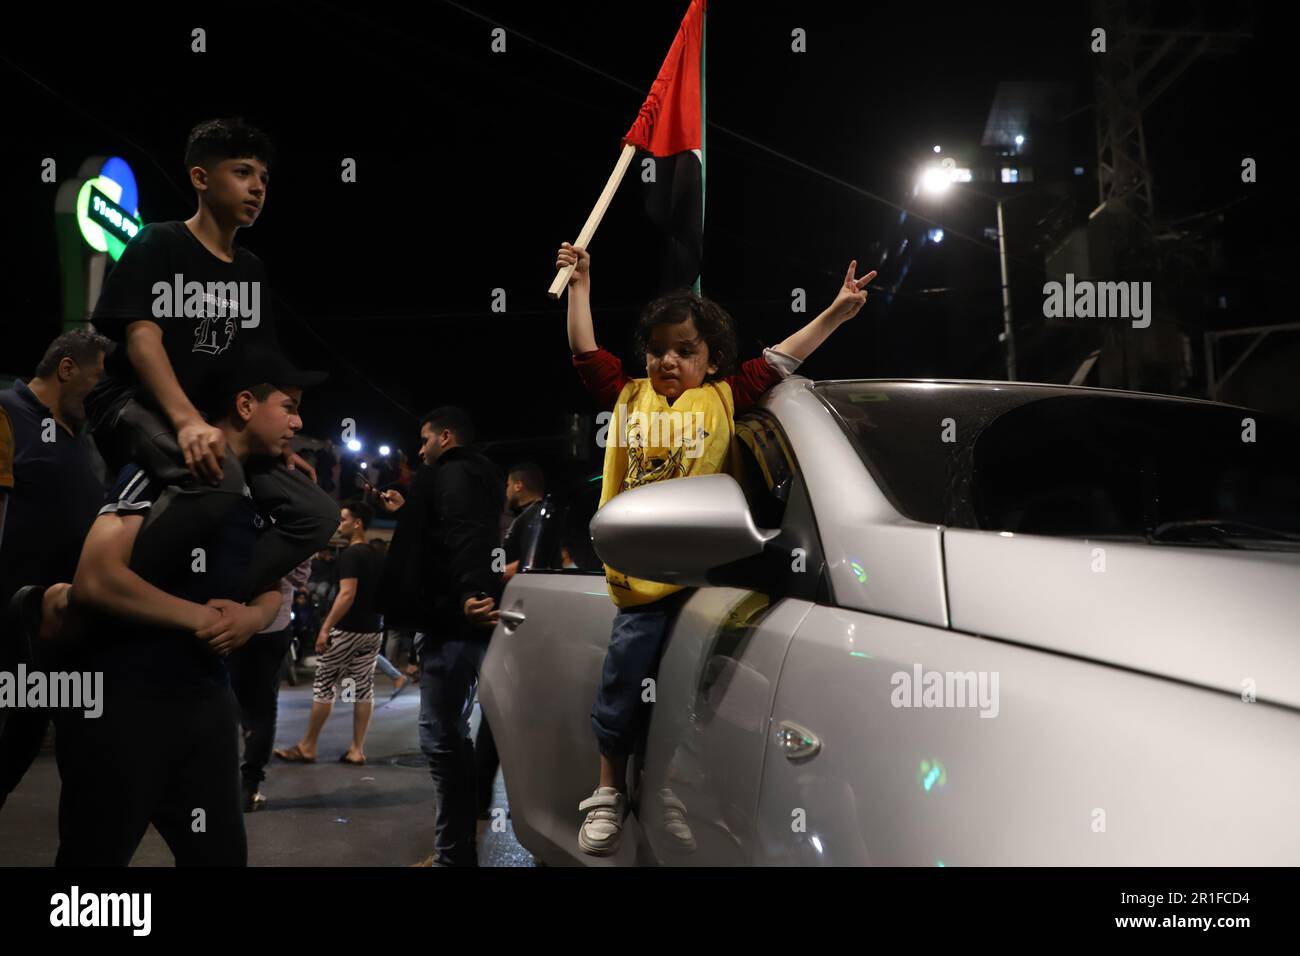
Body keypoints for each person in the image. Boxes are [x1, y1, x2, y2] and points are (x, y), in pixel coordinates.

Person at [556, 241, 876, 855]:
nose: (668, 361)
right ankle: (608, 791)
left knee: (699, 695)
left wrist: (836, 311)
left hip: (712, 578)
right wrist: (580, 284)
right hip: (645, 579)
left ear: (712, 359)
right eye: (656, 351)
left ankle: (667, 787)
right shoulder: (627, 397)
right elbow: (583, 351)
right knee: (625, 677)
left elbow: (782, 359)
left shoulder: (729, 396)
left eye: (685, 350)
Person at [52, 348, 323, 866]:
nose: (298, 422)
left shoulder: (260, 489)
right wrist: (200, 617)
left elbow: (264, 583)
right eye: (288, 407)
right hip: (122, 701)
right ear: (245, 405)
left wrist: (253, 617)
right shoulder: (162, 467)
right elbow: (97, 578)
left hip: (206, 703)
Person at [83, 117, 336, 602]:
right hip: (131, 403)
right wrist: (185, 422)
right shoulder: (159, 242)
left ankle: (216, 592)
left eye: (263, 178)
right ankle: (116, 594)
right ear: (201, 178)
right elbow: (141, 340)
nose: (258, 188)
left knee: (317, 513)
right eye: (243, 173)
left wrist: (281, 442)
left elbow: (259, 366)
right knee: (220, 476)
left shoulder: (250, 269)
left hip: (204, 419)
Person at [378, 407, 503, 866]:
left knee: (442, 739)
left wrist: (471, 590)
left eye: (425, 439)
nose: (420, 448)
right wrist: (409, 509)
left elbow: (464, 531)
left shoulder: (453, 471)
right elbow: (450, 529)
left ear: (445, 437)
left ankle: (454, 856)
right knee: (449, 738)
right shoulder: (473, 474)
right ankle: (454, 851)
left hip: (451, 623)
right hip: (452, 619)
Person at [0, 329, 112, 810]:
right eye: (96, 380)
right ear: (66, 369)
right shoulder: (6, 412)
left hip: (57, 635)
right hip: (9, 631)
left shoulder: (76, 438)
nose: (100, 394)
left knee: (26, 751)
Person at [274, 501, 385, 765]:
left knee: (324, 685)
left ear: (357, 523)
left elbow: (347, 594)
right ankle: (357, 750)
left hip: (346, 629)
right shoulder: (377, 555)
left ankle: (307, 746)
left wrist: (325, 628)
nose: (339, 524)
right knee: (363, 688)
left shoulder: (350, 555)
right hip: (372, 629)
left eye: (344, 519)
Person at [474, 460, 546, 818]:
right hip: (523, 627)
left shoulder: (536, 517)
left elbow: (529, 565)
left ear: (517, 486)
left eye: (507, 485)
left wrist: (494, 575)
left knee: (495, 713)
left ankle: (478, 799)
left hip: (520, 628)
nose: (505, 492)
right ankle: (479, 797)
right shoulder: (536, 516)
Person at [228, 556, 311, 811]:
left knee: (226, 700)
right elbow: (300, 577)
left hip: (229, 619)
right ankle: (249, 787)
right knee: (263, 707)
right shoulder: (294, 526)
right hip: (274, 625)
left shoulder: (238, 521)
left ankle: (218, 783)